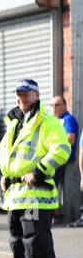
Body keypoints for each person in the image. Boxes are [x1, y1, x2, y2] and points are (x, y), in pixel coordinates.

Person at [0, 79, 70, 258]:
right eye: (19, 94)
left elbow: (61, 149)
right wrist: (6, 174)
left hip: (35, 196)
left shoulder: (46, 122)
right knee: (18, 244)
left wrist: (38, 171)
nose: (21, 98)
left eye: (26, 94)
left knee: (36, 244)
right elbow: (10, 155)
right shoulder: (14, 123)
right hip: (16, 196)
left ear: (37, 96)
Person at [50, 94, 80, 225]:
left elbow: (70, 139)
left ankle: (61, 215)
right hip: (53, 160)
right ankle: (53, 213)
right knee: (52, 187)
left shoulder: (68, 119)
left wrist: (52, 143)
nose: (54, 108)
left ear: (65, 105)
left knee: (54, 187)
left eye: (57, 104)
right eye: (52, 105)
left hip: (64, 161)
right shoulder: (53, 120)